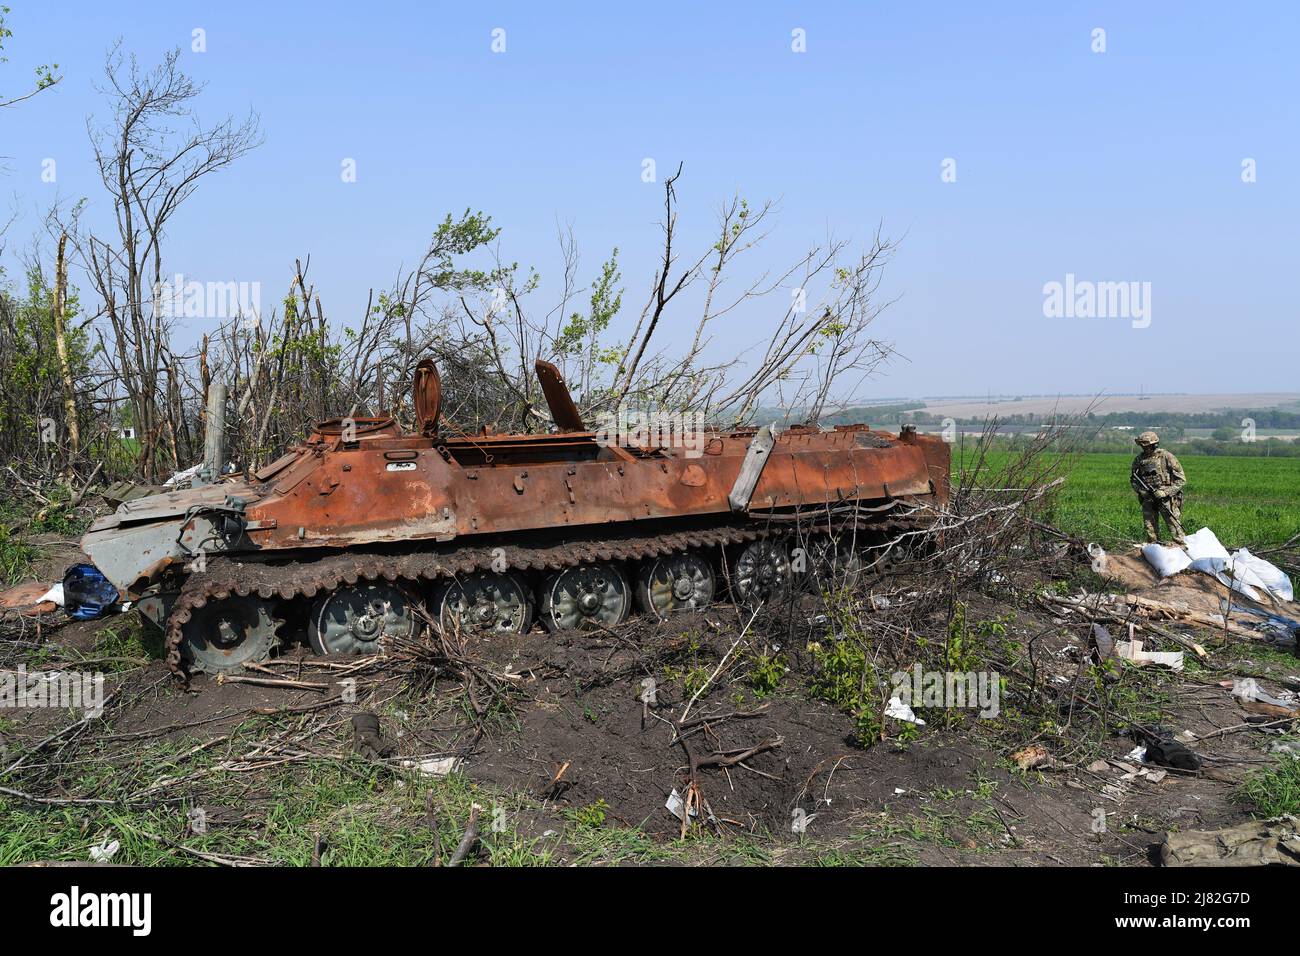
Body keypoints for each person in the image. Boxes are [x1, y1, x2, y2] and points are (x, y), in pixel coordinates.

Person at [1129, 431, 1186, 544]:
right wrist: (1140, 491)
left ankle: (1183, 548)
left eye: (1147, 446)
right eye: (1142, 446)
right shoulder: (1139, 460)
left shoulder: (1166, 456)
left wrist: (1165, 492)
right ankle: (1154, 550)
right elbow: (1134, 479)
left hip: (1166, 499)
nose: (1145, 449)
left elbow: (1181, 480)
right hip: (1148, 499)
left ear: (1154, 444)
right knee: (1150, 529)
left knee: (1174, 526)